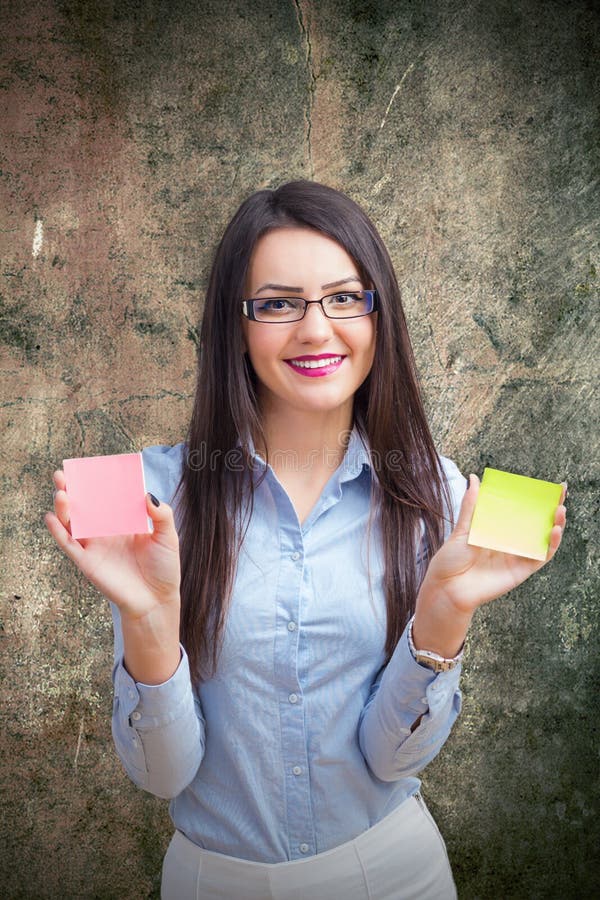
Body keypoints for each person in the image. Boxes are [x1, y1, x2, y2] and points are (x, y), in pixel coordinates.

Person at [45, 180, 567, 899]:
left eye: (345, 298)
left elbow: (393, 760)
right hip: (210, 880)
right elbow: (161, 776)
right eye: (279, 303)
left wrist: (444, 609)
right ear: (236, 323)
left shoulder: (444, 493)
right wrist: (148, 620)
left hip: (394, 874)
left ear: (380, 315)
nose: (317, 330)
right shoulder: (134, 491)